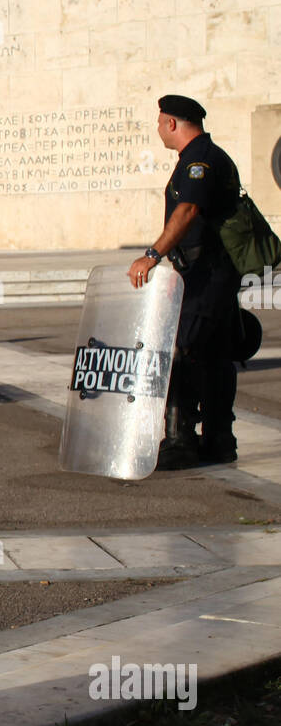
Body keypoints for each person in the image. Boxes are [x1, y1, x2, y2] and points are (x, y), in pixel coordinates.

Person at [127, 95, 242, 471]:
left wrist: (152, 254)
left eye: (160, 122)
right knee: (214, 354)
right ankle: (218, 440)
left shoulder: (199, 161)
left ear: (172, 124)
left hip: (205, 274)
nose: (158, 128)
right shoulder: (204, 157)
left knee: (184, 351)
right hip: (211, 273)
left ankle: (180, 441)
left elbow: (188, 211)